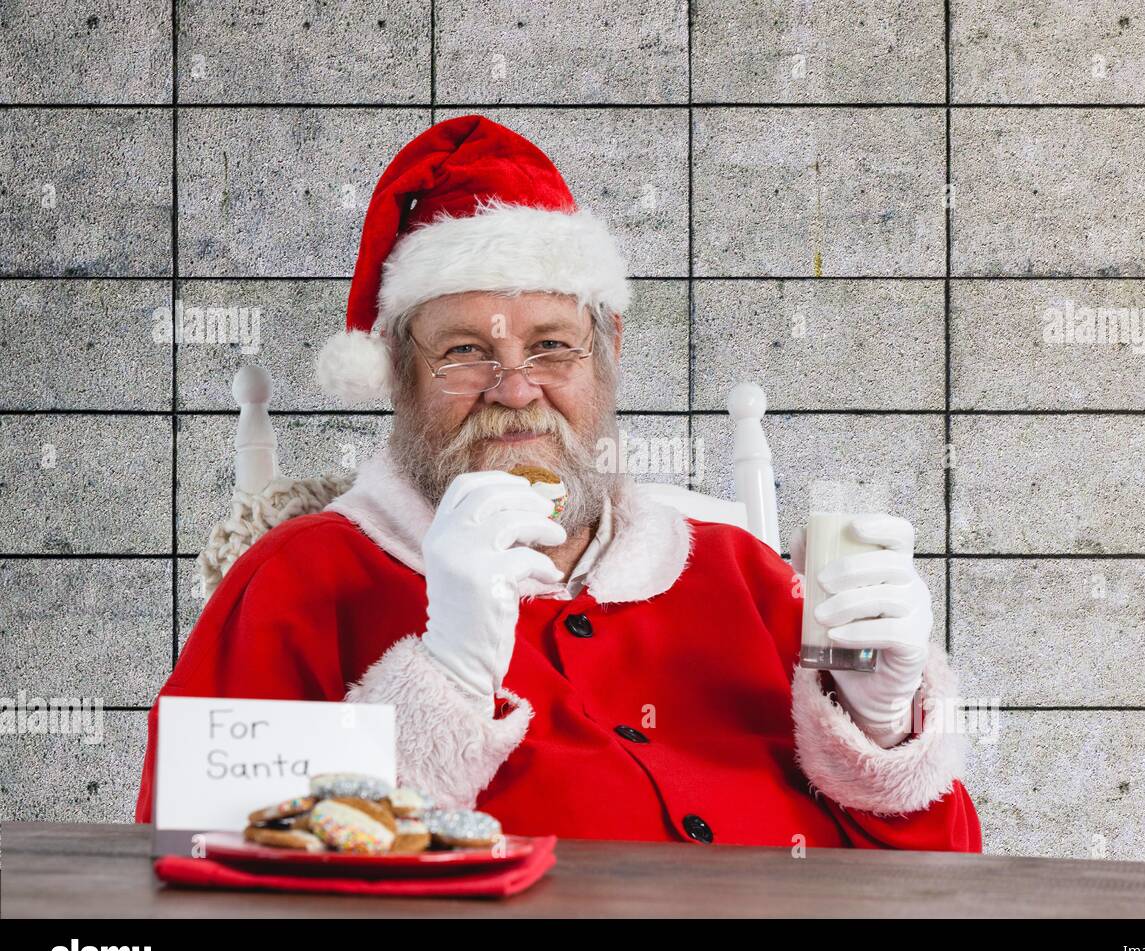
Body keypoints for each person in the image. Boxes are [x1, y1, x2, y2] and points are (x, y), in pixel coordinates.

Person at [135, 114, 981, 852]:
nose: (515, 388)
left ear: (607, 353)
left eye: (551, 345)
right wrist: (447, 678)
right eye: (466, 351)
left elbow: (935, 880)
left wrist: (882, 725)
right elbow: (201, 857)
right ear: (397, 374)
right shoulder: (297, 580)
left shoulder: (745, 577)